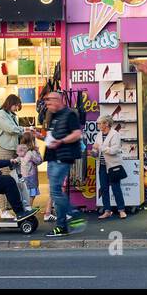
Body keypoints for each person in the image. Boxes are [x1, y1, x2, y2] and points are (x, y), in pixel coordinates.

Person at [44, 91, 86, 235]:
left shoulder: (70, 114)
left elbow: (77, 134)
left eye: (50, 102)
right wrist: (41, 136)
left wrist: (61, 141)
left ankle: (73, 214)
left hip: (63, 157)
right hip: (52, 157)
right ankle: (62, 227)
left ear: (58, 100)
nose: (48, 105)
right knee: (55, 192)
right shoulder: (54, 115)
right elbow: (52, 136)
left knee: (55, 191)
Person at [95, 115, 127, 219]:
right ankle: (107, 210)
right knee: (104, 188)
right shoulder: (99, 135)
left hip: (113, 166)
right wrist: (94, 152)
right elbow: (96, 148)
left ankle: (121, 210)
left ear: (106, 124)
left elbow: (114, 150)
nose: (98, 125)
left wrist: (101, 148)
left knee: (116, 188)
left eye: (100, 123)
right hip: (102, 166)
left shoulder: (115, 134)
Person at [0, 94, 24, 159]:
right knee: (3, 169)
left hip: (12, 150)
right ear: (10, 103)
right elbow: (11, 129)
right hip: (2, 149)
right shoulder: (1, 114)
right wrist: (24, 129)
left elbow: (16, 132)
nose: (16, 108)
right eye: (16, 106)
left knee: (10, 169)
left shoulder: (13, 116)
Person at [15, 130, 42, 207]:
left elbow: (18, 159)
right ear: (32, 141)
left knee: (25, 192)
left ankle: (25, 207)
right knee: (32, 193)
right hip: (31, 176)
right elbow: (39, 161)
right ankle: (29, 207)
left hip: (23, 175)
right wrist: (38, 152)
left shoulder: (21, 151)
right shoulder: (32, 152)